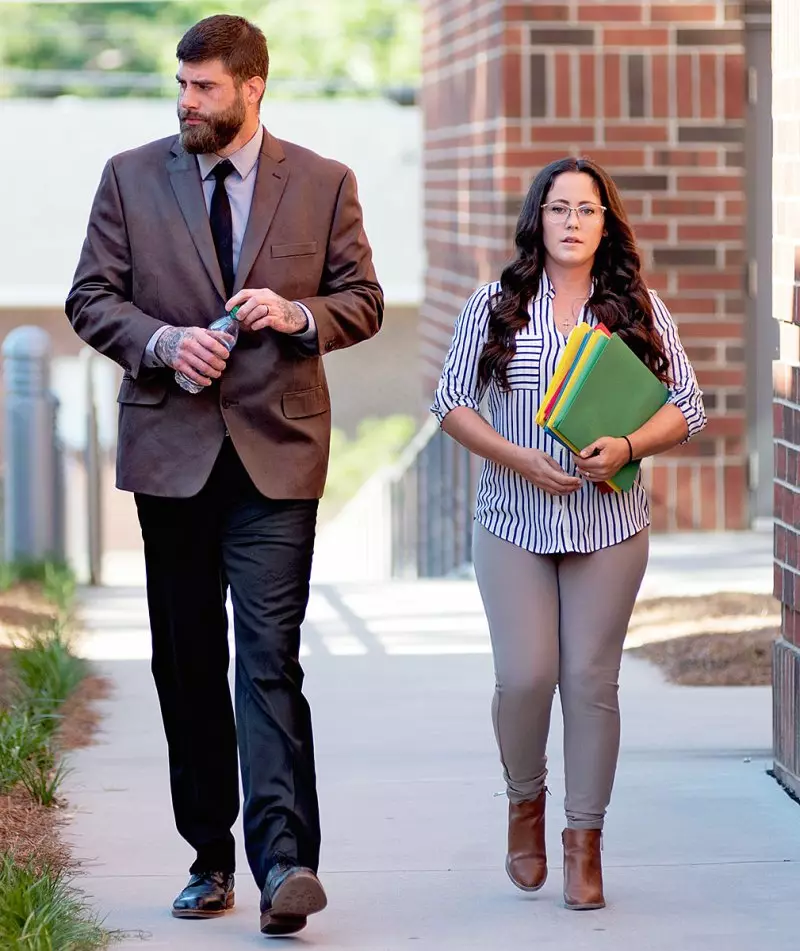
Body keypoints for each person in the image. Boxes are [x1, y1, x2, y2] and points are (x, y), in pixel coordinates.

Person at [66, 14, 383, 938]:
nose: (186, 102)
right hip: (170, 457)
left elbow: (362, 300)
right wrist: (162, 343)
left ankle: (286, 860)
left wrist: (294, 312)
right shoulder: (129, 176)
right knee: (189, 661)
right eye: (181, 85)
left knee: (270, 659)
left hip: (277, 455)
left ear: (253, 87)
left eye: (204, 87)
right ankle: (209, 856)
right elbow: (91, 297)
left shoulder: (323, 183)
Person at [431, 157, 705, 911]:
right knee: (526, 676)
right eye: (560, 208)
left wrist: (626, 447)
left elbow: (687, 404)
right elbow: (451, 402)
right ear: (538, 219)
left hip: (609, 523)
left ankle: (584, 842)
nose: (573, 221)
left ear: (606, 223)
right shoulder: (495, 302)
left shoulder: (636, 305)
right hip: (513, 519)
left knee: (589, 682)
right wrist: (518, 456)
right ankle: (526, 801)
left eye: (587, 209)